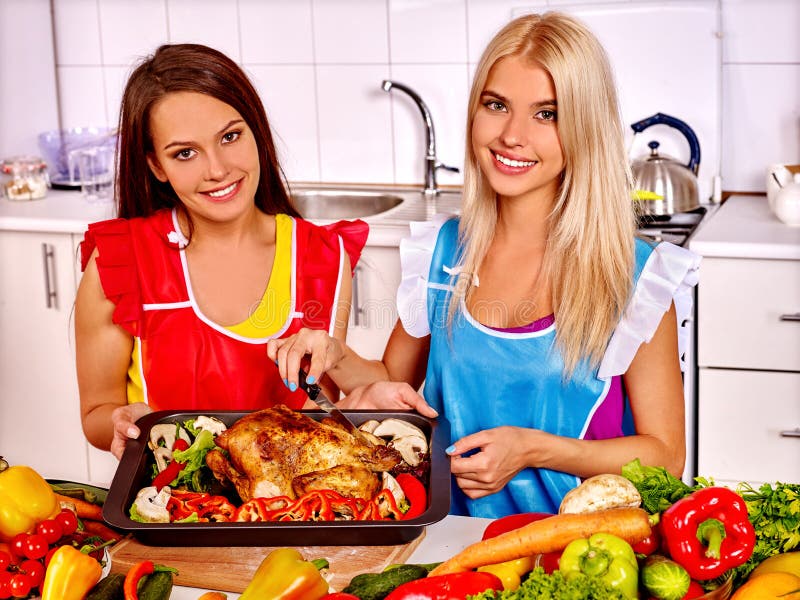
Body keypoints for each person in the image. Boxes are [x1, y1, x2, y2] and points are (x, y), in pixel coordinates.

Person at [269, 12, 701, 517]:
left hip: (581, 552)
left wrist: (535, 448)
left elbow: (666, 456)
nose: (512, 135)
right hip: (451, 544)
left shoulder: (631, 275)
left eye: (547, 114)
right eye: (496, 105)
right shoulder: (443, 253)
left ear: (585, 127)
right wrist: (332, 354)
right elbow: (391, 384)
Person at [75, 43, 432, 460]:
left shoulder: (320, 257)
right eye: (185, 153)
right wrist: (123, 420)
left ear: (255, 131)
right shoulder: (121, 261)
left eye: (230, 136)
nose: (217, 169)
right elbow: (96, 413)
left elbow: (319, 405)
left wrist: (339, 363)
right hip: (169, 508)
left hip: (290, 509)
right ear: (157, 166)